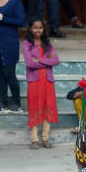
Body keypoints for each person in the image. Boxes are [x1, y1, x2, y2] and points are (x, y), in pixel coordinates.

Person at [22, 18, 60, 148]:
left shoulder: (47, 43)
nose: (37, 30)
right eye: (35, 28)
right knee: (34, 107)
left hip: (47, 81)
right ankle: (34, 140)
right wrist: (45, 61)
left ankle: (45, 139)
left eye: (40, 28)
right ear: (30, 29)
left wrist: (38, 60)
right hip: (34, 82)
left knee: (47, 108)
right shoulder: (26, 44)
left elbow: (55, 60)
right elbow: (30, 63)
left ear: (43, 29)